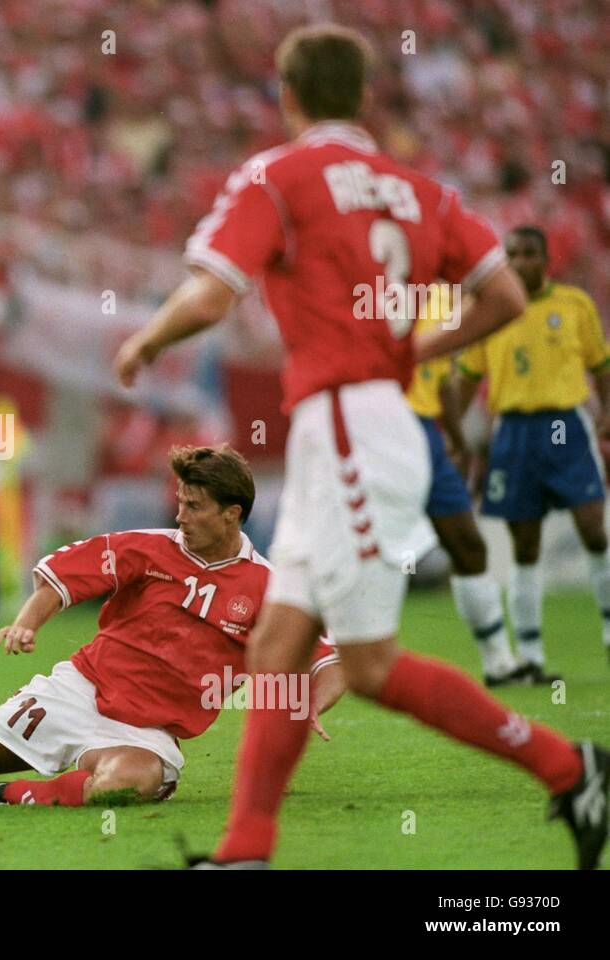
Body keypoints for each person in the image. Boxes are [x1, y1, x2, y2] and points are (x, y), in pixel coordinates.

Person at [112, 24, 608, 869]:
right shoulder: (418, 190)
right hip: (355, 422)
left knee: (370, 663)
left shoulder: (279, 174)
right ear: (364, 96)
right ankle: (244, 851)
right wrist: (416, 349)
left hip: (346, 426)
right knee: (276, 648)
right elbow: (501, 295)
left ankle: (569, 767)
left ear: (289, 96)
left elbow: (212, 294)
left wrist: (143, 343)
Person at [0, 446, 342, 809]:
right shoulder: (147, 548)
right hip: (81, 692)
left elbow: (330, 661)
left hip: (146, 733)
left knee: (129, 785)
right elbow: (63, 574)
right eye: (179, 502)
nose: (180, 515)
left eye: (194, 506)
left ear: (232, 514)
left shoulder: (270, 587)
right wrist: (27, 622)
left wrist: (312, 702)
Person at [455, 225, 610, 675]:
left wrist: (606, 411)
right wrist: (454, 436)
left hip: (565, 425)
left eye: (528, 254)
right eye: (512, 254)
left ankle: (606, 626)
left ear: (546, 260)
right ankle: (532, 654)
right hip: (513, 432)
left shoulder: (574, 305)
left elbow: (601, 364)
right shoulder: (491, 311)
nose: (519, 262)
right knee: (525, 545)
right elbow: (466, 377)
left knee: (593, 528)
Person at [406, 285, 525, 686]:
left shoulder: (441, 299)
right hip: (379, 427)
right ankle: (323, 659)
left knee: (467, 544)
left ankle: (499, 662)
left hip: (426, 430)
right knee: (358, 554)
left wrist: (455, 439)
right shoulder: (368, 290)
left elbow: (441, 379)